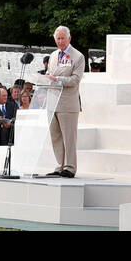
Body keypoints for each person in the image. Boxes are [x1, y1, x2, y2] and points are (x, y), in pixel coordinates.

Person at [42, 25, 84, 177]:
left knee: (69, 138)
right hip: (52, 101)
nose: (60, 41)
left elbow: (76, 79)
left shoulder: (78, 56)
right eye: (57, 38)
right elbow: (49, 73)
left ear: (69, 38)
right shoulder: (53, 55)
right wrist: (45, 78)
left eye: (62, 38)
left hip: (68, 103)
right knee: (56, 136)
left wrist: (57, 79)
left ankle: (70, 167)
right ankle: (59, 165)